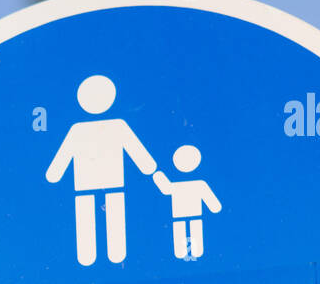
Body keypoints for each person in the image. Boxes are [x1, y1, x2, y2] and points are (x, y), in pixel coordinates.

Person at [46, 75, 157, 265]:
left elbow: (57, 167)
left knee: (88, 218)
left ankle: (91, 257)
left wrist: (54, 175)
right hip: (111, 185)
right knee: (108, 218)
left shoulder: (79, 130)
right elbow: (144, 161)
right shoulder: (115, 127)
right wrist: (149, 169)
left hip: (87, 187)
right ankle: (113, 256)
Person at [152, 145, 221, 258]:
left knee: (192, 234)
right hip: (185, 216)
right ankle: (187, 255)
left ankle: (191, 255)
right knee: (185, 234)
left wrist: (158, 176)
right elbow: (214, 205)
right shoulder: (198, 184)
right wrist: (158, 177)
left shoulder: (197, 184)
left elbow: (166, 189)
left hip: (189, 216)